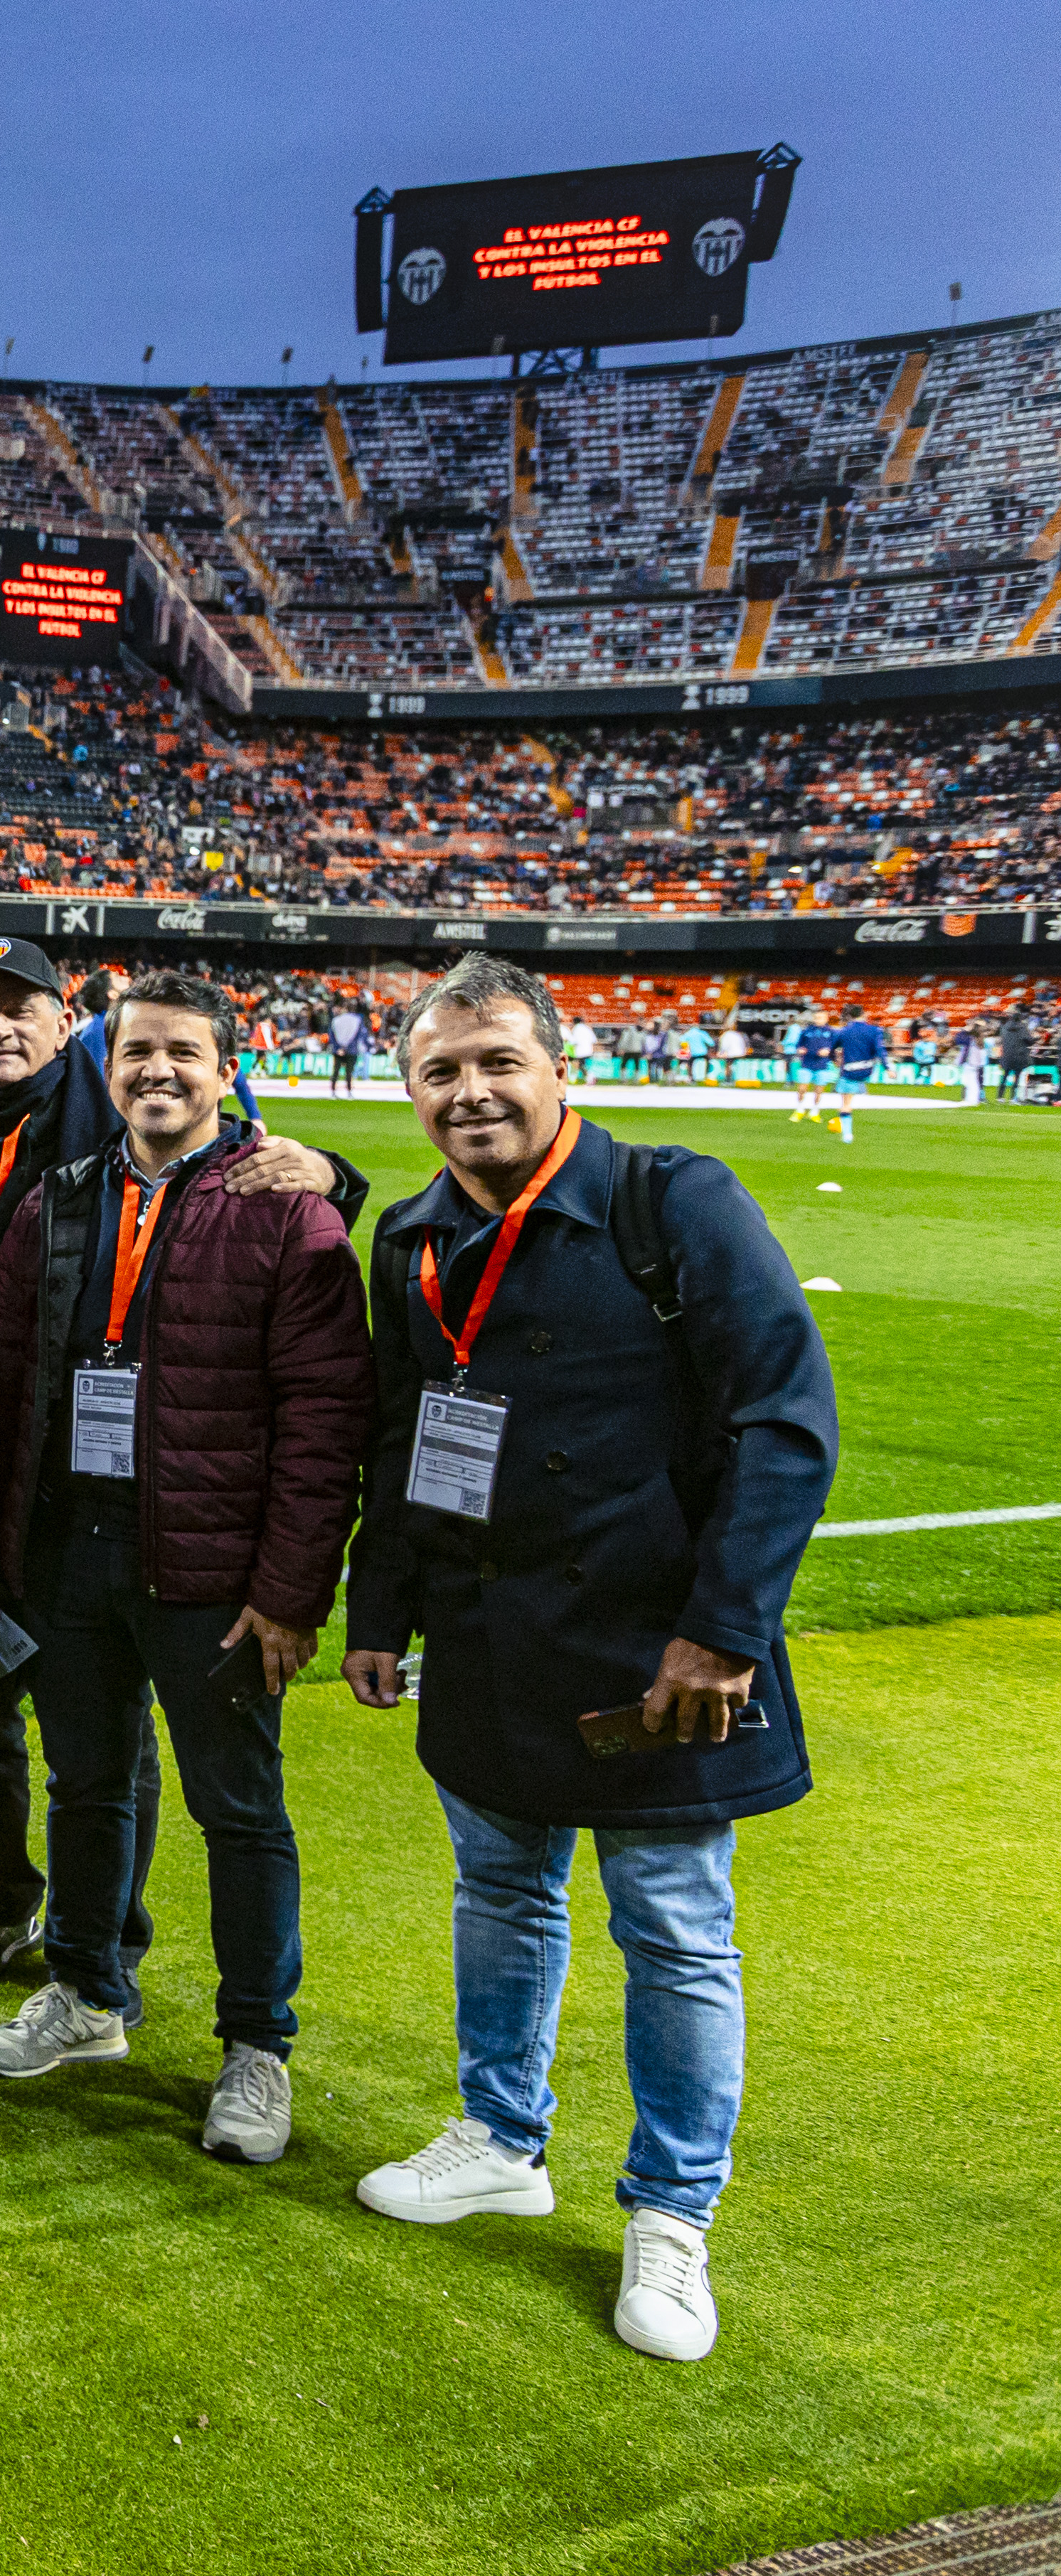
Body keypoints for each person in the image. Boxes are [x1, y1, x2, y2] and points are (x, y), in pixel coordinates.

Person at [342, 956, 837, 2365]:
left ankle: (671, 2211)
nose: (469, 1091)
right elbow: (401, 1432)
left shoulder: (668, 1200)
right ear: (409, 1088)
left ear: (560, 1065)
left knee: (671, 1928)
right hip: (486, 1634)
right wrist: (377, 1607)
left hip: (654, 1644)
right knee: (499, 1892)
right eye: (438, 1070)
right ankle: (501, 2135)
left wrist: (724, 1628)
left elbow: (785, 1420)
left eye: (496, 1059)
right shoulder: (409, 1235)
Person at [0, 968, 370, 2162]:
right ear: (106, 1067)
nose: (157, 1070)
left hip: (212, 1571)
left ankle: (256, 2044)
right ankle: (86, 1993)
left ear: (226, 1068)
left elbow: (325, 1418)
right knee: (85, 1784)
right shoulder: (59, 1196)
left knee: (239, 1808)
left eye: (183, 1051)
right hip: (66, 1550)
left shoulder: (285, 1208)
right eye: (136, 1052)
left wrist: (289, 1590)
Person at [829, 1006, 886, 1140]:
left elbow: (831, 1048)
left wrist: (834, 1060)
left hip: (848, 1070)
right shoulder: (874, 1030)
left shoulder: (844, 1031)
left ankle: (847, 1134)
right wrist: (887, 1067)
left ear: (850, 1016)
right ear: (863, 1014)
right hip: (866, 1069)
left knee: (846, 1104)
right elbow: (879, 1049)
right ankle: (861, 1089)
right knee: (851, 1098)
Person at [787, 1010, 838, 1121]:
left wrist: (829, 1052)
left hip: (822, 1065)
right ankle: (800, 1110)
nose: (819, 1020)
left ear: (826, 1019)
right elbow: (799, 1044)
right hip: (807, 1064)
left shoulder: (831, 1032)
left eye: (821, 1018)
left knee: (819, 1090)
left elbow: (835, 1047)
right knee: (802, 1088)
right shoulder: (807, 1031)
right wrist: (800, 1049)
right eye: (817, 1018)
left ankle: (815, 1111)